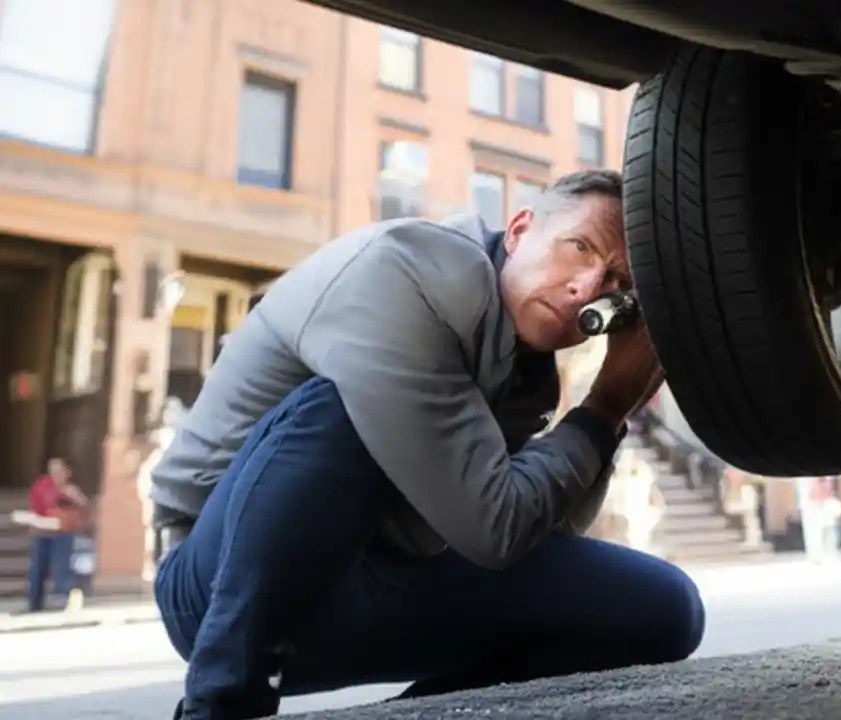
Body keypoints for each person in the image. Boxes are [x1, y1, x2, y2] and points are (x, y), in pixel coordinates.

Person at [148, 170, 706, 720]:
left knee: (661, 611)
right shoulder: (404, 273)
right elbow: (496, 529)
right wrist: (601, 409)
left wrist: (611, 418)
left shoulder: (528, 368)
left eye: (615, 283)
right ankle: (222, 705)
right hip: (216, 585)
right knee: (337, 407)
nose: (586, 288)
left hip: (379, 577)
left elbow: (542, 535)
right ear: (519, 231)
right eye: (579, 247)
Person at [26, 458, 87, 612]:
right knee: (38, 568)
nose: (57, 474)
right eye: (53, 471)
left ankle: (63, 597)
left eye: (60, 471)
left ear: (67, 472)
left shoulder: (71, 489)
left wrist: (74, 496)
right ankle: (35, 601)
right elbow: (36, 507)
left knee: (62, 566)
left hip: (63, 533)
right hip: (43, 532)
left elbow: (82, 507)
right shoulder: (41, 486)